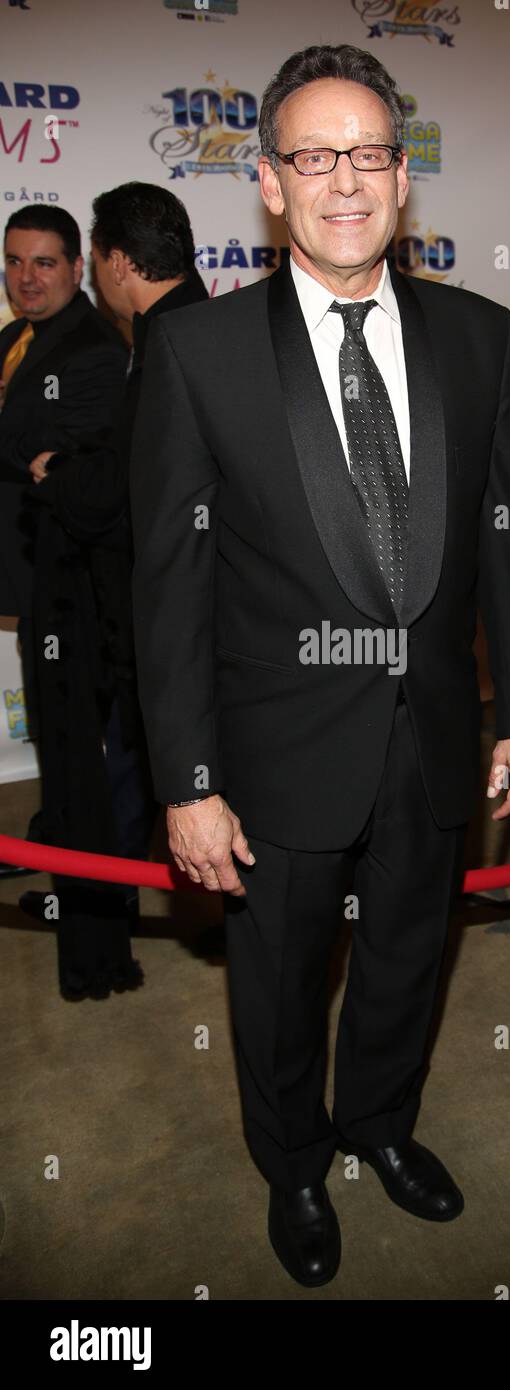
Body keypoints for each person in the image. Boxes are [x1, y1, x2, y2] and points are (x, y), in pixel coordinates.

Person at [131, 43, 510, 1286]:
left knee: (409, 958)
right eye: (314, 157)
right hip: (270, 758)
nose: (346, 182)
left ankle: (378, 1126)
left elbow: (506, 540)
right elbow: (168, 588)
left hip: (432, 739)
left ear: (403, 176)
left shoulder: (484, 336)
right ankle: (297, 1165)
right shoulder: (198, 356)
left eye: (369, 153)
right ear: (268, 181)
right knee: (274, 992)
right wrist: (189, 778)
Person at [21, 185, 208, 1000]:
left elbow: (122, 489)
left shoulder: (168, 345)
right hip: (160, 610)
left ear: (117, 260)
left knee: (172, 772)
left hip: (170, 612)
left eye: (85, 255)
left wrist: (56, 471)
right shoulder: (173, 332)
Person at [0, 205, 127, 876]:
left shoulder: (95, 350)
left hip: (75, 582)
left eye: (43, 263)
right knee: (55, 727)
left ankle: (86, 870)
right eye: (14, 262)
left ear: (79, 269)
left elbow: (77, 463)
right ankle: (56, 835)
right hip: (33, 573)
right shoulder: (17, 339)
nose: (26, 277)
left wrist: (24, 450)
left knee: (77, 734)